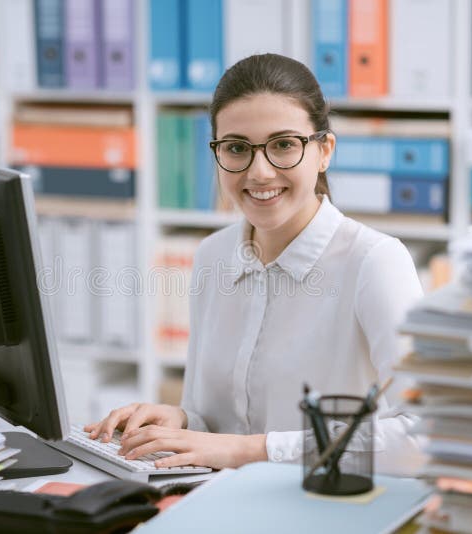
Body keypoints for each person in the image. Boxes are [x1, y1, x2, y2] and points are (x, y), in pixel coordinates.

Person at [86, 53, 424, 476]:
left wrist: (251, 450)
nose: (259, 171)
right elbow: (214, 423)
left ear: (324, 151)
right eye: (236, 148)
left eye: (283, 144)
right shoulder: (213, 255)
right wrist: (182, 422)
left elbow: (424, 434)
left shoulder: (375, 262)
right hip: (215, 500)